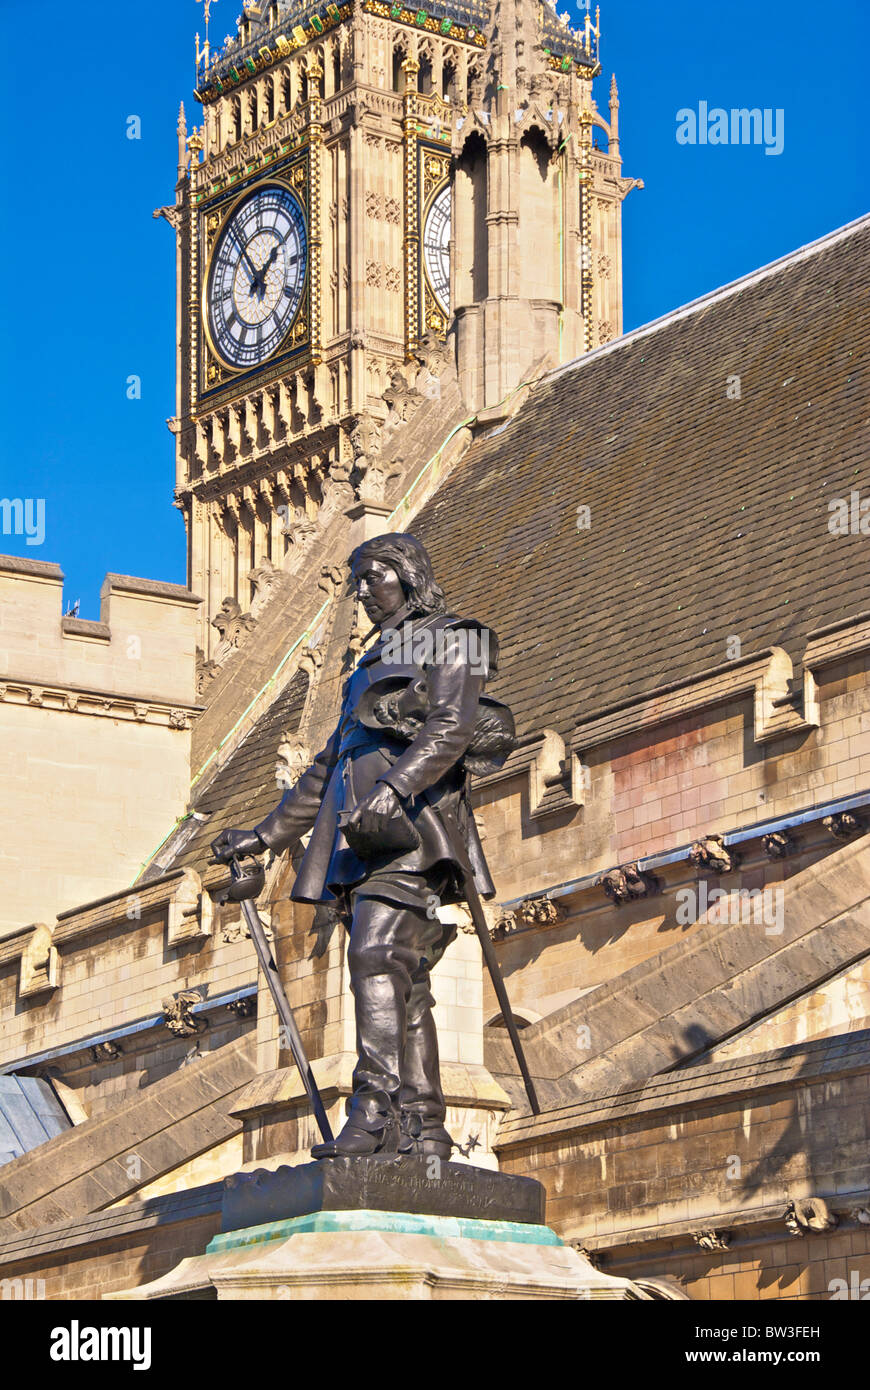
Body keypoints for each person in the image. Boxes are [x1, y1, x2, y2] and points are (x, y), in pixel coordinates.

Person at [211, 533, 510, 1159]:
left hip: (414, 831)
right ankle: (426, 1128)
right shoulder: (365, 666)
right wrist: (264, 837)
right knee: (407, 979)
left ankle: (372, 1111)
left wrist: (396, 789)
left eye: (376, 576)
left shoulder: (456, 635)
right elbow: (325, 766)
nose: (365, 591)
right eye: (359, 581)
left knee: (376, 953)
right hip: (356, 838)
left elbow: (452, 725)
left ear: (408, 575)